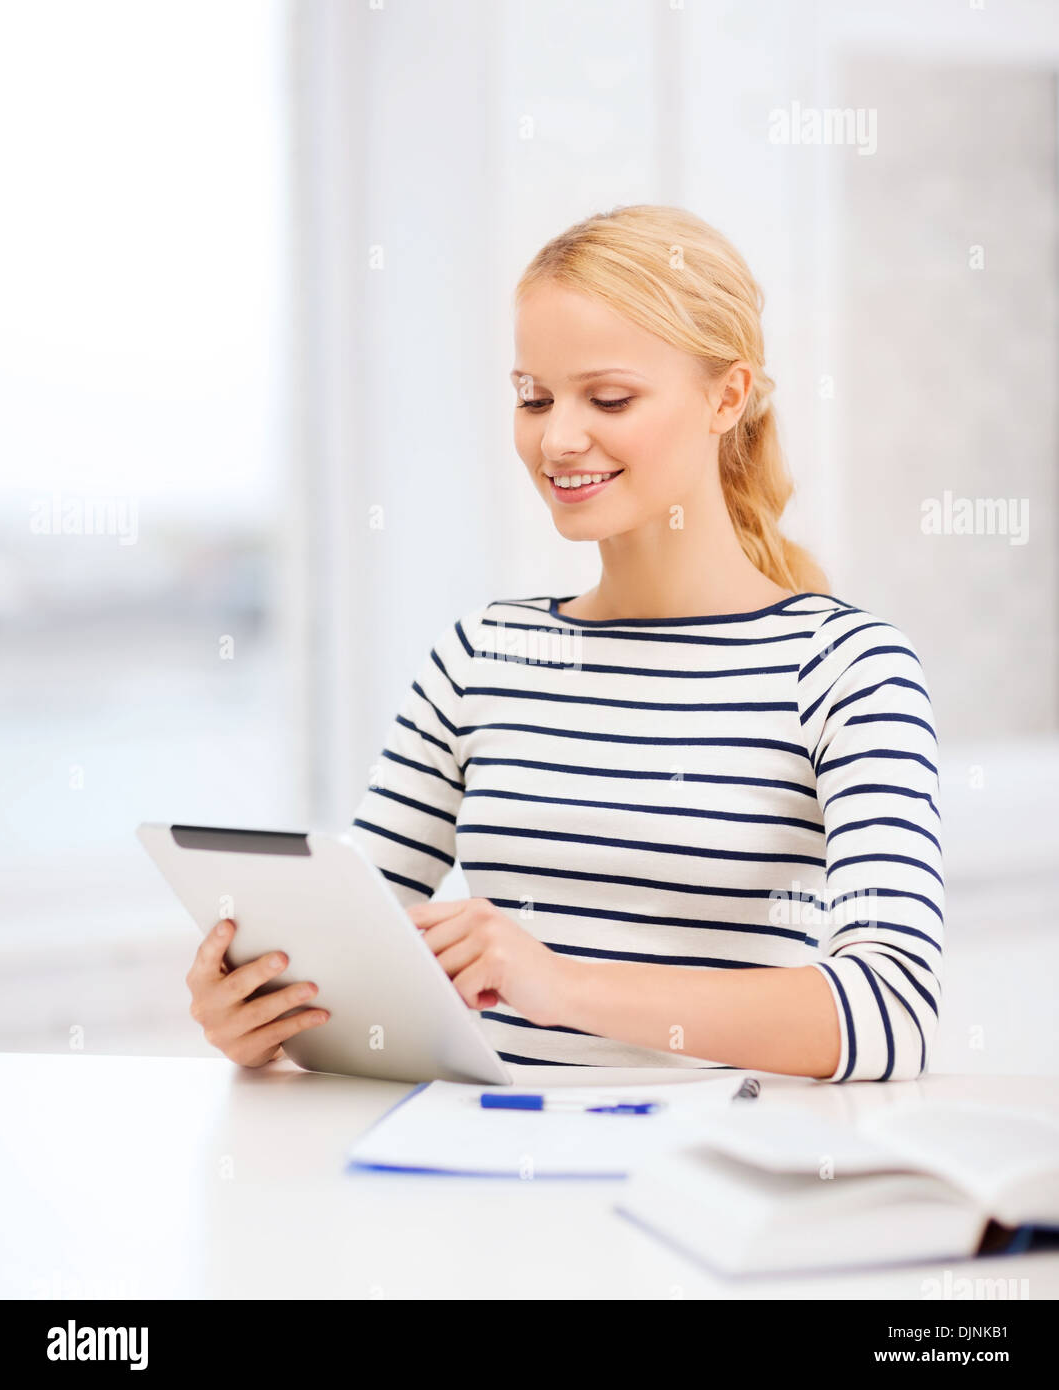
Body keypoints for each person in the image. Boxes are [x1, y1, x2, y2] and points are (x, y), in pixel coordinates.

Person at [186, 204, 943, 1082]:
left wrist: (558, 984)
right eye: (533, 397)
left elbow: (894, 1011)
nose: (557, 438)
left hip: (707, 1191)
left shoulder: (847, 670)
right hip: (489, 1182)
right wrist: (262, 1011)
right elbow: (355, 954)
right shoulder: (479, 657)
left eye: (609, 397)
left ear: (727, 396)